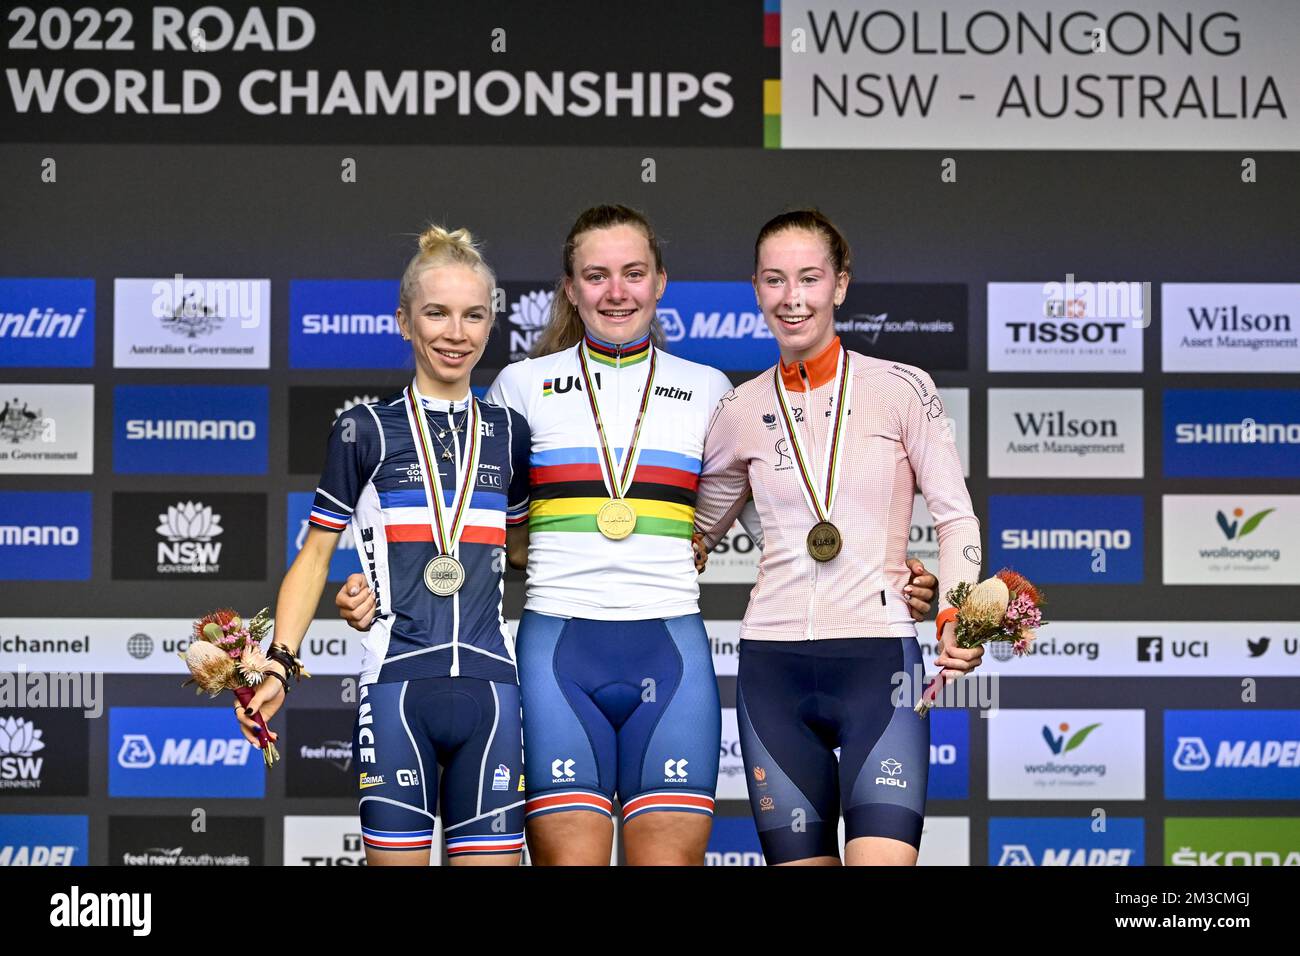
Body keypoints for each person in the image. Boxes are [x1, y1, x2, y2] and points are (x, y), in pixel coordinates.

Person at [336, 204, 942, 865]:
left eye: (633, 273)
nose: (615, 291)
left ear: (660, 283)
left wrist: (888, 569)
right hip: (556, 655)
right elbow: (470, 525)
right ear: (570, 288)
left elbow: (785, 516)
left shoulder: (711, 392)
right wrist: (382, 588)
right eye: (596, 275)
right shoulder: (522, 387)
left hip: (671, 653)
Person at [693, 209, 985, 866]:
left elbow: (956, 514)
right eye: (774, 280)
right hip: (773, 669)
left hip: (878, 665)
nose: (792, 299)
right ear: (756, 289)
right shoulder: (739, 411)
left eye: (809, 278)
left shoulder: (901, 389)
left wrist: (959, 613)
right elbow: (696, 533)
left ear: (840, 285)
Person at [234, 225, 531, 866]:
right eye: (437, 314)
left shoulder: (511, 432)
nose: (457, 332)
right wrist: (279, 662)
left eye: (473, 315)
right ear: (404, 322)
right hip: (396, 688)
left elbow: (526, 552)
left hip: (494, 689)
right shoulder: (363, 428)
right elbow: (315, 558)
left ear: (490, 322)